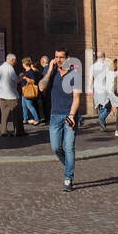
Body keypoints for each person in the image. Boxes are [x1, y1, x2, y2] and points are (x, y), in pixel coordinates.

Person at [40, 47, 81, 192]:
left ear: (68, 58)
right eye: (56, 57)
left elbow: (76, 98)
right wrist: (49, 71)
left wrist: (71, 115)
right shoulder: (51, 74)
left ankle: (68, 178)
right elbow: (41, 88)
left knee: (69, 148)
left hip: (69, 115)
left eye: (61, 57)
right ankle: (69, 165)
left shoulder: (74, 74)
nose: (58, 60)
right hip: (55, 115)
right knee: (56, 147)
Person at [0, 53, 23, 138]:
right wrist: (21, 76)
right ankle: (18, 131)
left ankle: (3, 131)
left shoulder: (1, 67)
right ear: (11, 60)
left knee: (4, 114)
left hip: (2, 94)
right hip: (11, 95)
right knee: (17, 114)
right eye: (14, 61)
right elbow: (16, 80)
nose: (15, 63)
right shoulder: (10, 68)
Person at [91, 50, 112, 132]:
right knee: (108, 107)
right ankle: (101, 119)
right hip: (104, 89)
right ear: (103, 57)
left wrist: (90, 88)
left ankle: (102, 127)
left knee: (101, 107)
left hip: (96, 89)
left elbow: (90, 79)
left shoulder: (92, 67)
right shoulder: (105, 67)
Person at [20, 57, 42, 126]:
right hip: (24, 91)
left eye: (23, 63)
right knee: (24, 106)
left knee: (30, 106)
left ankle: (37, 119)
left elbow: (33, 81)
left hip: (28, 91)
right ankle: (25, 119)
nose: (22, 64)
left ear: (25, 63)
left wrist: (25, 78)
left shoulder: (31, 72)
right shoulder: (25, 72)